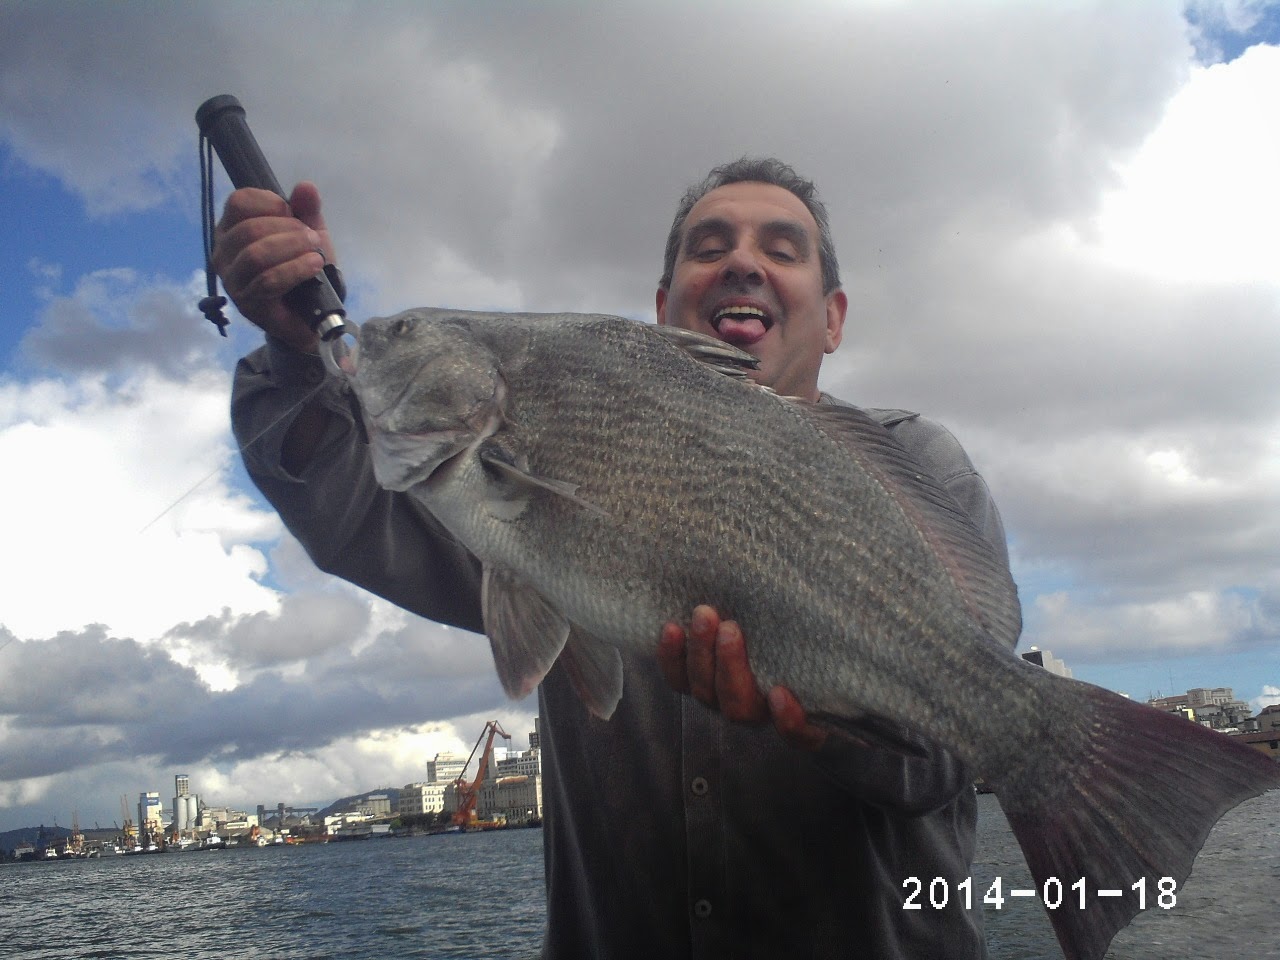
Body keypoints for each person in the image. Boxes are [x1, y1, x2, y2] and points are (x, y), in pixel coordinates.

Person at [215, 157, 1015, 959]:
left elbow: (948, 761)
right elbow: (340, 498)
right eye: (708, 247)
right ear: (662, 309)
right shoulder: (488, 489)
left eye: (782, 247)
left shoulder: (920, 471)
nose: (743, 262)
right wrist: (292, 350)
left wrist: (828, 726)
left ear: (834, 317)